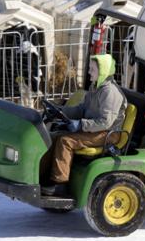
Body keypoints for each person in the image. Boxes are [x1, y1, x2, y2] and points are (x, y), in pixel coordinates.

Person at [43, 54, 127, 196]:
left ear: (102, 71)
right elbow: (81, 109)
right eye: (90, 69)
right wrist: (60, 110)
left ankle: (60, 185)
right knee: (55, 136)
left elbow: (105, 122)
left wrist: (81, 125)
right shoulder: (95, 87)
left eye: (92, 69)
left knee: (66, 141)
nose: (89, 72)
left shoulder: (110, 92)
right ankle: (47, 177)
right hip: (95, 129)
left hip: (108, 133)